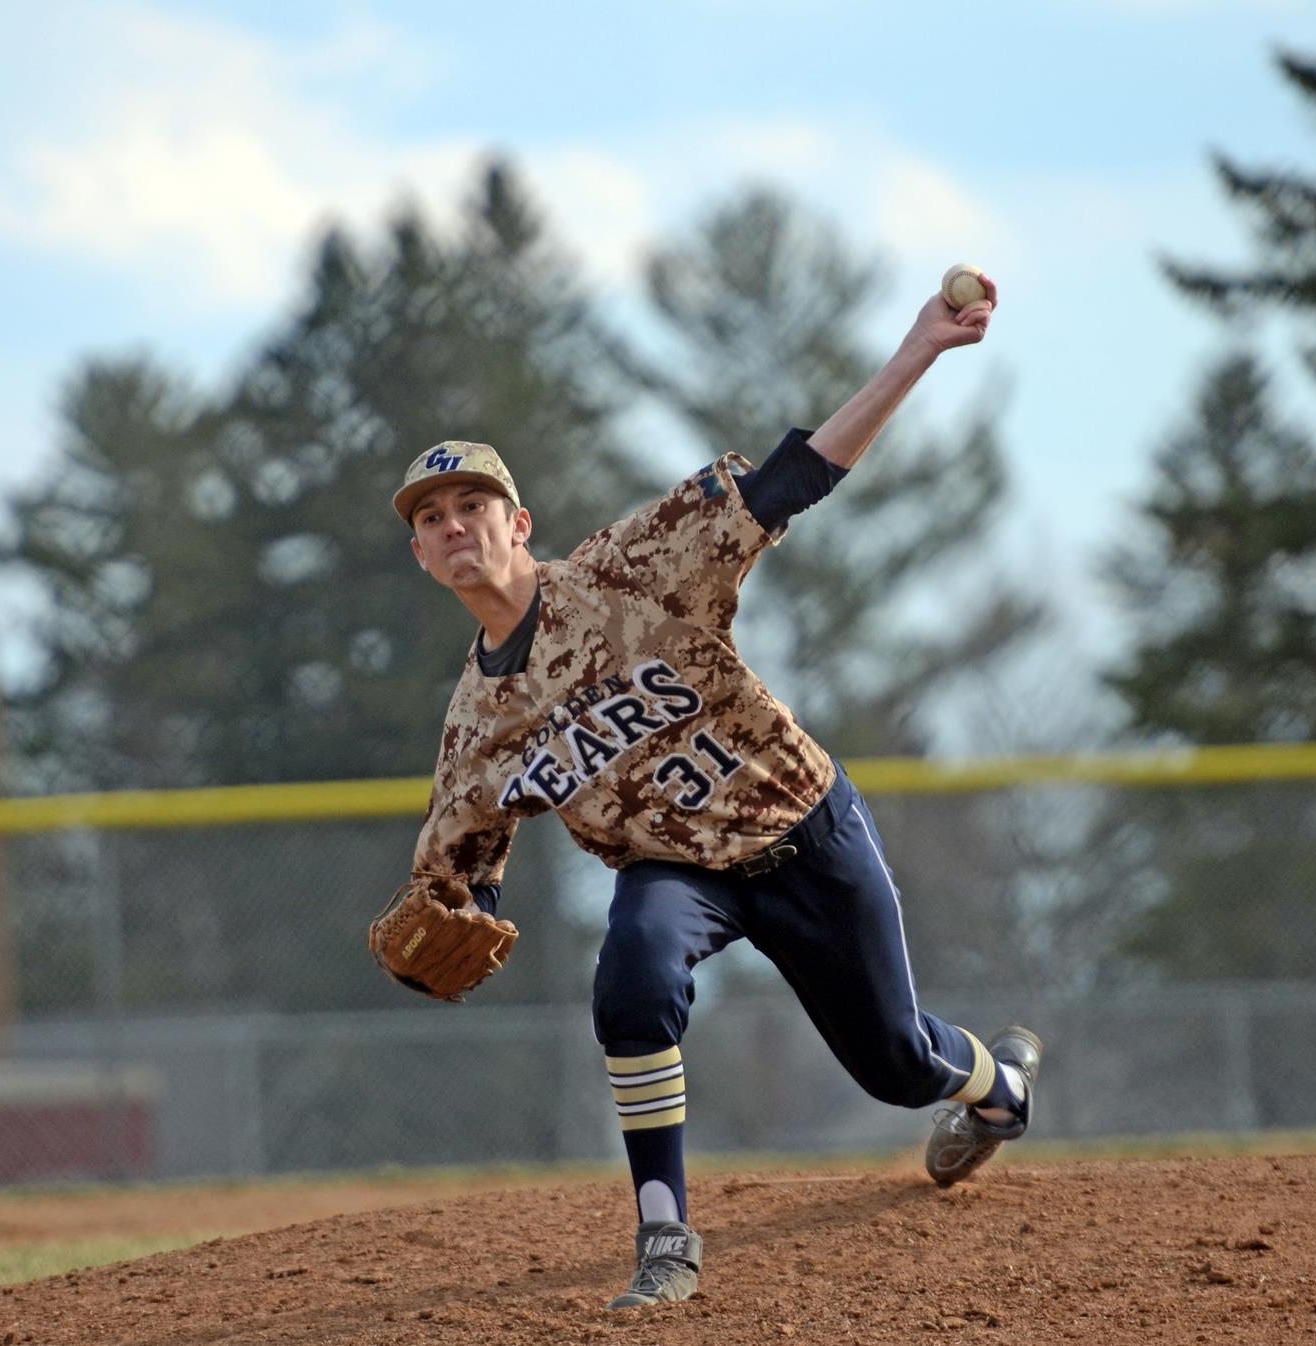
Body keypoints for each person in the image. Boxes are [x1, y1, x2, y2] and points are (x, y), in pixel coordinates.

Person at [389, 278, 1040, 1310]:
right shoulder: (476, 727)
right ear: (422, 553)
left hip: (804, 830)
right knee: (631, 979)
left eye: (471, 504)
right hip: (675, 873)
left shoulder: (628, 567)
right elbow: (457, 876)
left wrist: (917, 347)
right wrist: (448, 929)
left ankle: (996, 1087)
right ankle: (663, 1234)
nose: (453, 523)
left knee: (897, 1060)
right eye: (432, 516)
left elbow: (794, 477)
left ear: (518, 522)